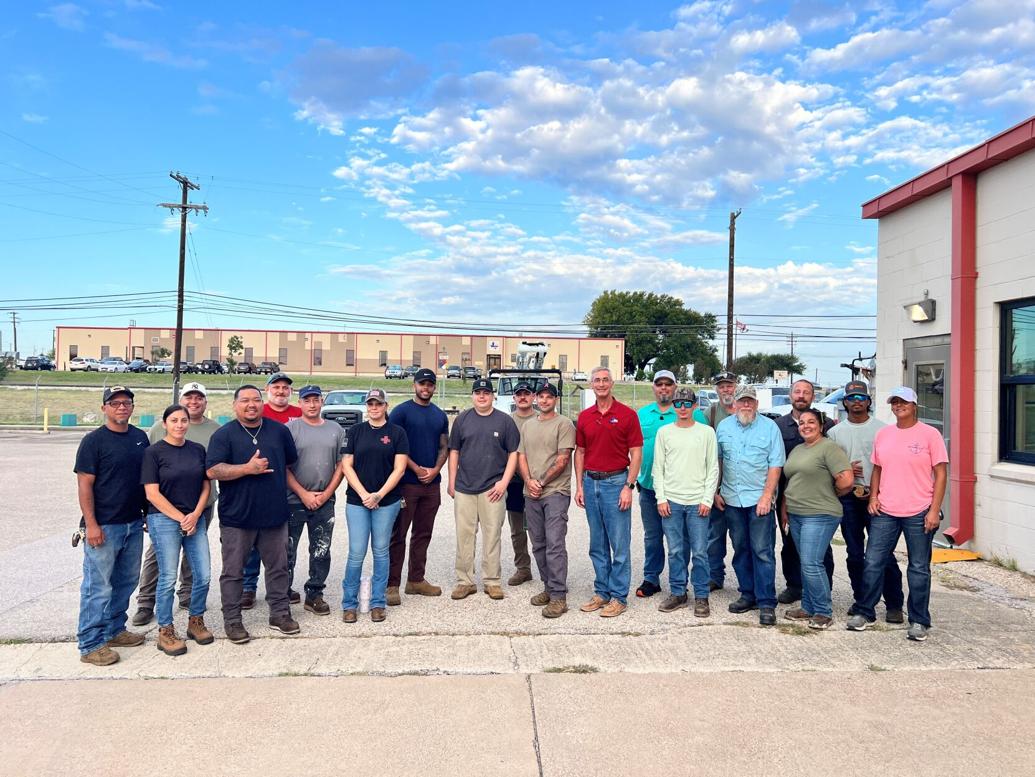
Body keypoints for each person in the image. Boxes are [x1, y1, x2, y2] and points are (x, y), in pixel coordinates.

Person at [848, 387, 948, 641]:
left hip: (919, 510)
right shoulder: (884, 434)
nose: (898, 406)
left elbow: (941, 473)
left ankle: (919, 620)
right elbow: (877, 469)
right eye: (894, 402)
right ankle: (865, 612)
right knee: (873, 562)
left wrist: (934, 510)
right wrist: (874, 497)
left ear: (914, 405)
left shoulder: (930, 435)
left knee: (918, 568)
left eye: (903, 402)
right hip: (886, 510)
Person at [206, 385, 300, 644]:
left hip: (274, 514)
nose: (251, 404)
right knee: (233, 572)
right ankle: (233, 621)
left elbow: (290, 461)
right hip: (237, 518)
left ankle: (280, 614)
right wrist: (247, 469)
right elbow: (213, 470)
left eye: (256, 400)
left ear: (262, 403)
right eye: (245, 400)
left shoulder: (279, 431)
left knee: (278, 568)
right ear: (235, 405)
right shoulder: (223, 435)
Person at [132, 382, 220, 627]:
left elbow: (210, 474)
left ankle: (189, 599)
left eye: (198, 397)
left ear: (205, 401)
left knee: (194, 556)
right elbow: (150, 479)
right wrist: (147, 512)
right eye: (189, 397)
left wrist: (195, 512)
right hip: (164, 511)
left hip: (201, 506)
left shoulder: (215, 430)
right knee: (158, 556)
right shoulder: (157, 433)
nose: (194, 402)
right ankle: (146, 602)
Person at [74, 386, 149, 666]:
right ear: (105, 407)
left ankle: (115, 629)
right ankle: (91, 643)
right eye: (115, 403)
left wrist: (145, 514)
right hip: (103, 526)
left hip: (132, 523)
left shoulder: (140, 438)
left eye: (126, 403)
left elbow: (143, 480)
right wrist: (91, 524)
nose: (121, 407)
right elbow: (84, 486)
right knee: (98, 586)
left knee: (126, 581)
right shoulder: (94, 442)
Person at [828, 381, 903, 622]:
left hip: (877, 496)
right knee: (854, 552)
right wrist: (845, 469)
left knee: (884, 553)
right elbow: (828, 466)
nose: (857, 401)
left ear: (869, 402)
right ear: (845, 402)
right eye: (852, 397)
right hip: (849, 497)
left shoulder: (882, 430)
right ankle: (862, 600)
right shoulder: (835, 433)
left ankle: (894, 604)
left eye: (862, 397)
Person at [141, 404, 213, 655]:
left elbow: (206, 486)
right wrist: (181, 518)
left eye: (184, 420)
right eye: (174, 420)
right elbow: (152, 493)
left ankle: (196, 620)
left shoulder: (197, 450)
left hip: (196, 517)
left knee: (203, 574)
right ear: (164, 424)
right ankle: (165, 630)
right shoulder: (154, 453)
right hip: (164, 520)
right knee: (168, 578)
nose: (180, 425)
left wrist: (195, 514)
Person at [574, 366, 643, 618]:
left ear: (612, 383)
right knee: (597, 543)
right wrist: (580, 485)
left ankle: (618, 597)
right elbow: (579, 452)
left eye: (605, 380)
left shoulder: (627, 415)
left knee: (619, 543)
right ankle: (602, 592)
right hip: (591, 483)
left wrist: (629, 485)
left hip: (617, 483)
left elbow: (636, 452)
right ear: (591, 385)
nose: (601, 384)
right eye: (597, 380)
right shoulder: (585, 416)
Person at [636, 370, 710, 598]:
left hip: (682, 490)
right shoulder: (642, 414)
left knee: (683, 539)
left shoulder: (693, 415)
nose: (664, 388)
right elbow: (633, 446)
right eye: (660, 384)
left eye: (669, 384)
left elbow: (707, 454)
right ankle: (651, 578)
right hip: (649, 486)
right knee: (652, 536)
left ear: (675, 388)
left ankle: (684, 583)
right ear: (654, 388)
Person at [715, 385, 785, 626]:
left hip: (759, 502)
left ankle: (766, 602)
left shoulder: (770, 428)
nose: (746, 405)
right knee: (741, 549)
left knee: (763, 552)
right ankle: (748, 594)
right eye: (742, 401)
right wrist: (716, 490)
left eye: (750, 401)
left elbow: (775, 465)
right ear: (734, 404)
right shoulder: (723, 428)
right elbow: (720, 461)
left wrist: (767, 497)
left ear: (756, 404)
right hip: (732, 499)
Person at [780, 408, 854, 630]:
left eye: (811, 422)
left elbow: (847, 480)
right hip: (797, 514)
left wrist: (831, 492)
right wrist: (785, 509)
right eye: (802, 422)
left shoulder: (829, 448)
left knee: (812, 563)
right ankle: (807, 607)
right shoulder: (798, 450)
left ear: (821, 426)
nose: (805, 426)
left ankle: (823, 611)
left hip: (819, 514)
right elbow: (791, 480)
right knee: (805, 562)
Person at [447, 377, 520, 601]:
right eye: (478, 392)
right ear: (472, 395)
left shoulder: (505, 422)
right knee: (465, 535)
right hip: (465, 487)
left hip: (493, 488)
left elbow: (513, 454)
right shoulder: (462, 420)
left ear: (492, 396)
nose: (482, 396)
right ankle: (465, 581)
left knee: (492, 535)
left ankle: (492, 581)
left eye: (486, 393)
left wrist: (504, 482)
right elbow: (454, 452)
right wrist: (451, 481)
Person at [340, 389, 409, 623]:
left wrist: (379, 495)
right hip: (357, 502)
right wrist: (364, 494)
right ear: (366, 407)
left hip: (387, 502)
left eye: (378, 404)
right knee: (356, 553)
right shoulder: (355, 431)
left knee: (381, 551)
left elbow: (399, 468)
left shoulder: (397, 433)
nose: (374, 408)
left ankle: (378, 602)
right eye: (370, 404)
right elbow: (346, 465)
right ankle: (349, 603)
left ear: (385, 406)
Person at [652, 388, 719, 617]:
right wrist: (661, 498)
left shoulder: (707, 433)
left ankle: (701, 595)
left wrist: (707, 498)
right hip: (672, 500)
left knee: (700, 551)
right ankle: (678, 592)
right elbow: (657, 468)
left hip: (697, 501)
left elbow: (713, 468)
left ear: (694, 406)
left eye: (687, 404)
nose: (682, 408)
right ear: (673, 406)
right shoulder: (664, 432)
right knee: (675, 550)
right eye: (678, 404)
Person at [240, 371, 303, 608]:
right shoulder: (258, 412)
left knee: (282, 542)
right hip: (257, 482)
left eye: (285, 388)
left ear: (290, 392)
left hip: (288, 482)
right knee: (254, 540)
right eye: (276, 387)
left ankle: (281, 586)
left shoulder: (298, 414)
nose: (280, 391)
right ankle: (248, 586)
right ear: (267, 391)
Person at [386, 368, 448, 605]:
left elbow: (444, 446)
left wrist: (435, 470)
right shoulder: (401, 413)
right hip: (405, 484)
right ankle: (392, 585)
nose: (426, 388)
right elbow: (395, 446)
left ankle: (416, 580)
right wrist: (416, 468)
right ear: (414, 385)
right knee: (398, 534)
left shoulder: (439, 415)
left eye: (430, 384)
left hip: (431, 485)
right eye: (422, 384)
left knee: (423, 533)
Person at [285, 385, 345, 616]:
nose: (311, 404)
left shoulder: (336, 430)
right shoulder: (290, 429)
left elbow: (342, 464)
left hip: (324, 500)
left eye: (316, 400)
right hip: (294, 499)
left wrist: (327, 493)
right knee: (287, 550)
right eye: (306, 400)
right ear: (299, 403)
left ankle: (314, 594)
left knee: (321, 549)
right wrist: (303, 494)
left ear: (322, 402)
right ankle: (283, 593)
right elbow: (284, 466)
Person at [517, 382, 576, 618]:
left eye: (548, 397)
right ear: (535, 399)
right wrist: (529, 480)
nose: (544, 401)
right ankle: (548, 587)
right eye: (540, 396)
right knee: (538, 543)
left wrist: (540, 482)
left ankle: (559, 596)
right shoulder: (528, 425)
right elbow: (521, 456)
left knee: (554, 544)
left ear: (556, 400)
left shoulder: (564, 424)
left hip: (555, 492)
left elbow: (562, 459)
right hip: (530, 493)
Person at [774, 379, 835, 605]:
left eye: (806, 392)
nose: (801, 396)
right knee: (789, 543)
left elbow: (836, 456)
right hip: (787, 496)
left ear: (813, 397)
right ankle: (794, 586)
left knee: (820, 546)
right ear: (791, 395)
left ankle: (823, 588)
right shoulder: (778, 426)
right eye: (797, 392)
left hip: (819, 497)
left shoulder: (827, 424)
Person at [706, 372, 737, 592]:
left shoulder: (747, 408)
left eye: (729, 385)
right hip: (716, 485)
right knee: (714, 536)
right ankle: (714, 576)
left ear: (736, 387)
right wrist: (712, 489)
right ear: (717, 390)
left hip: (740, 486)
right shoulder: (712, 412)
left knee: (742, 538)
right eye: (722, 386)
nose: (726, 390)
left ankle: (747, 578)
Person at [505, 382, 536, 586]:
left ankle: (550, 570)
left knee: (539, 529)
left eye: (526, 394)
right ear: (514, 398)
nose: (523, 397)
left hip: (539, 482)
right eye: (519, 394)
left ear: (533, 396)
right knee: (517, 529)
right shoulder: (506, 422)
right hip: (515, 483)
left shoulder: (541, 418)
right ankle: (523, 568)